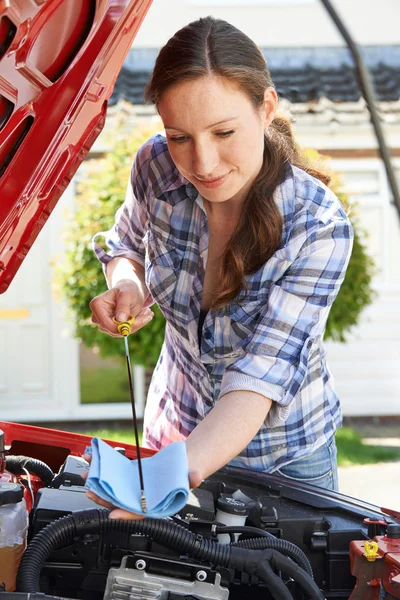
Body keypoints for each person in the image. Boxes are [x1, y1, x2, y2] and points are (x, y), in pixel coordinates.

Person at [89, 16, 354, 518]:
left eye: (224, 131)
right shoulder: (155, 165)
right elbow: (126, 241)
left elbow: (257, 381)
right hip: (175, 427)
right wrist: (125, 281)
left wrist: (157, 485)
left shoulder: (318, 226)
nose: (203, 161)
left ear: (266, 108)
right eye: (179, 136)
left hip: (283, 463)